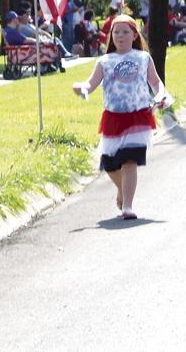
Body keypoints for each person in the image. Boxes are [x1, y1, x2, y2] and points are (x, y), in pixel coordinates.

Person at [72, 16, 168, 220]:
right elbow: (91, 83)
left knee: (130, 161)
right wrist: (83, 88)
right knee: (110, 164)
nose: (120, 36)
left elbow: (156, 82)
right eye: (116, 32)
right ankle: (122, 191)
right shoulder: (104, 61)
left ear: (134, 35)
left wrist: (160, 95)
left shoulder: (143, 58)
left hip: (138, 116)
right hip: (113, 118)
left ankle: (128, 205)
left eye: (125, 32)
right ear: (111, 36)